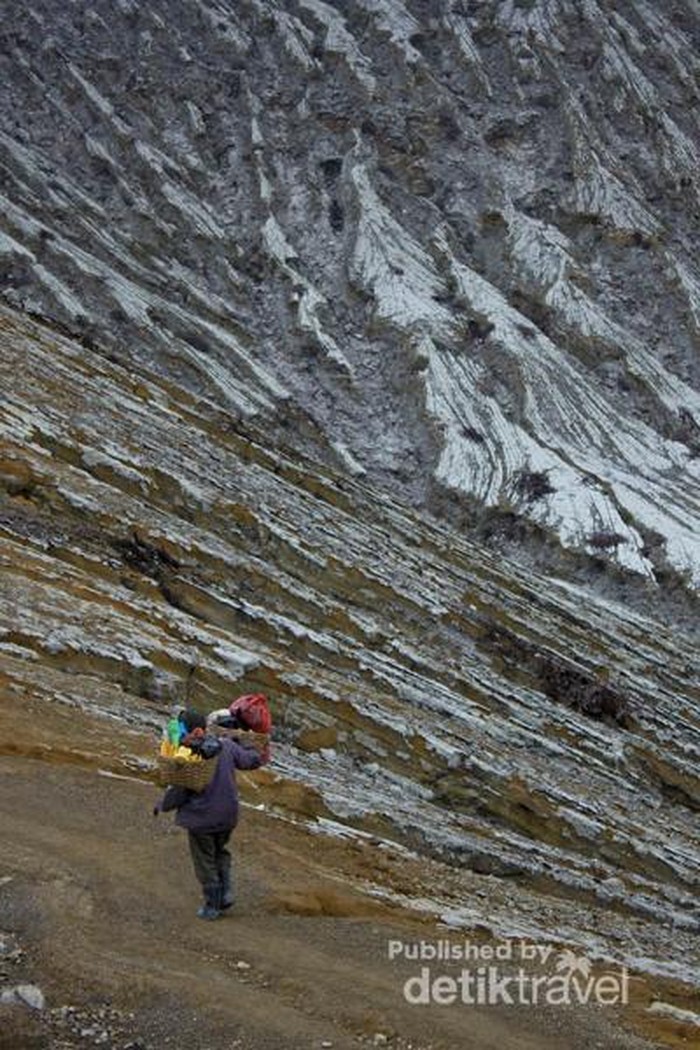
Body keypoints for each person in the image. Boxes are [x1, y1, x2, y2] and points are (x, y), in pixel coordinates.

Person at [154, 710, 264, 920]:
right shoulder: (226, 745)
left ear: (196, 732)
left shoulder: (189, 757)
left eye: (181, 732)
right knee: (220, 851)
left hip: (202, 818)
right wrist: (247, 743)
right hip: (227, 814)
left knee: (204, 860)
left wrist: (162, 805)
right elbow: (251, 760)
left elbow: (180, 791)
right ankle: (226, 892)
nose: (179, 738)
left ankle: (212, 904)